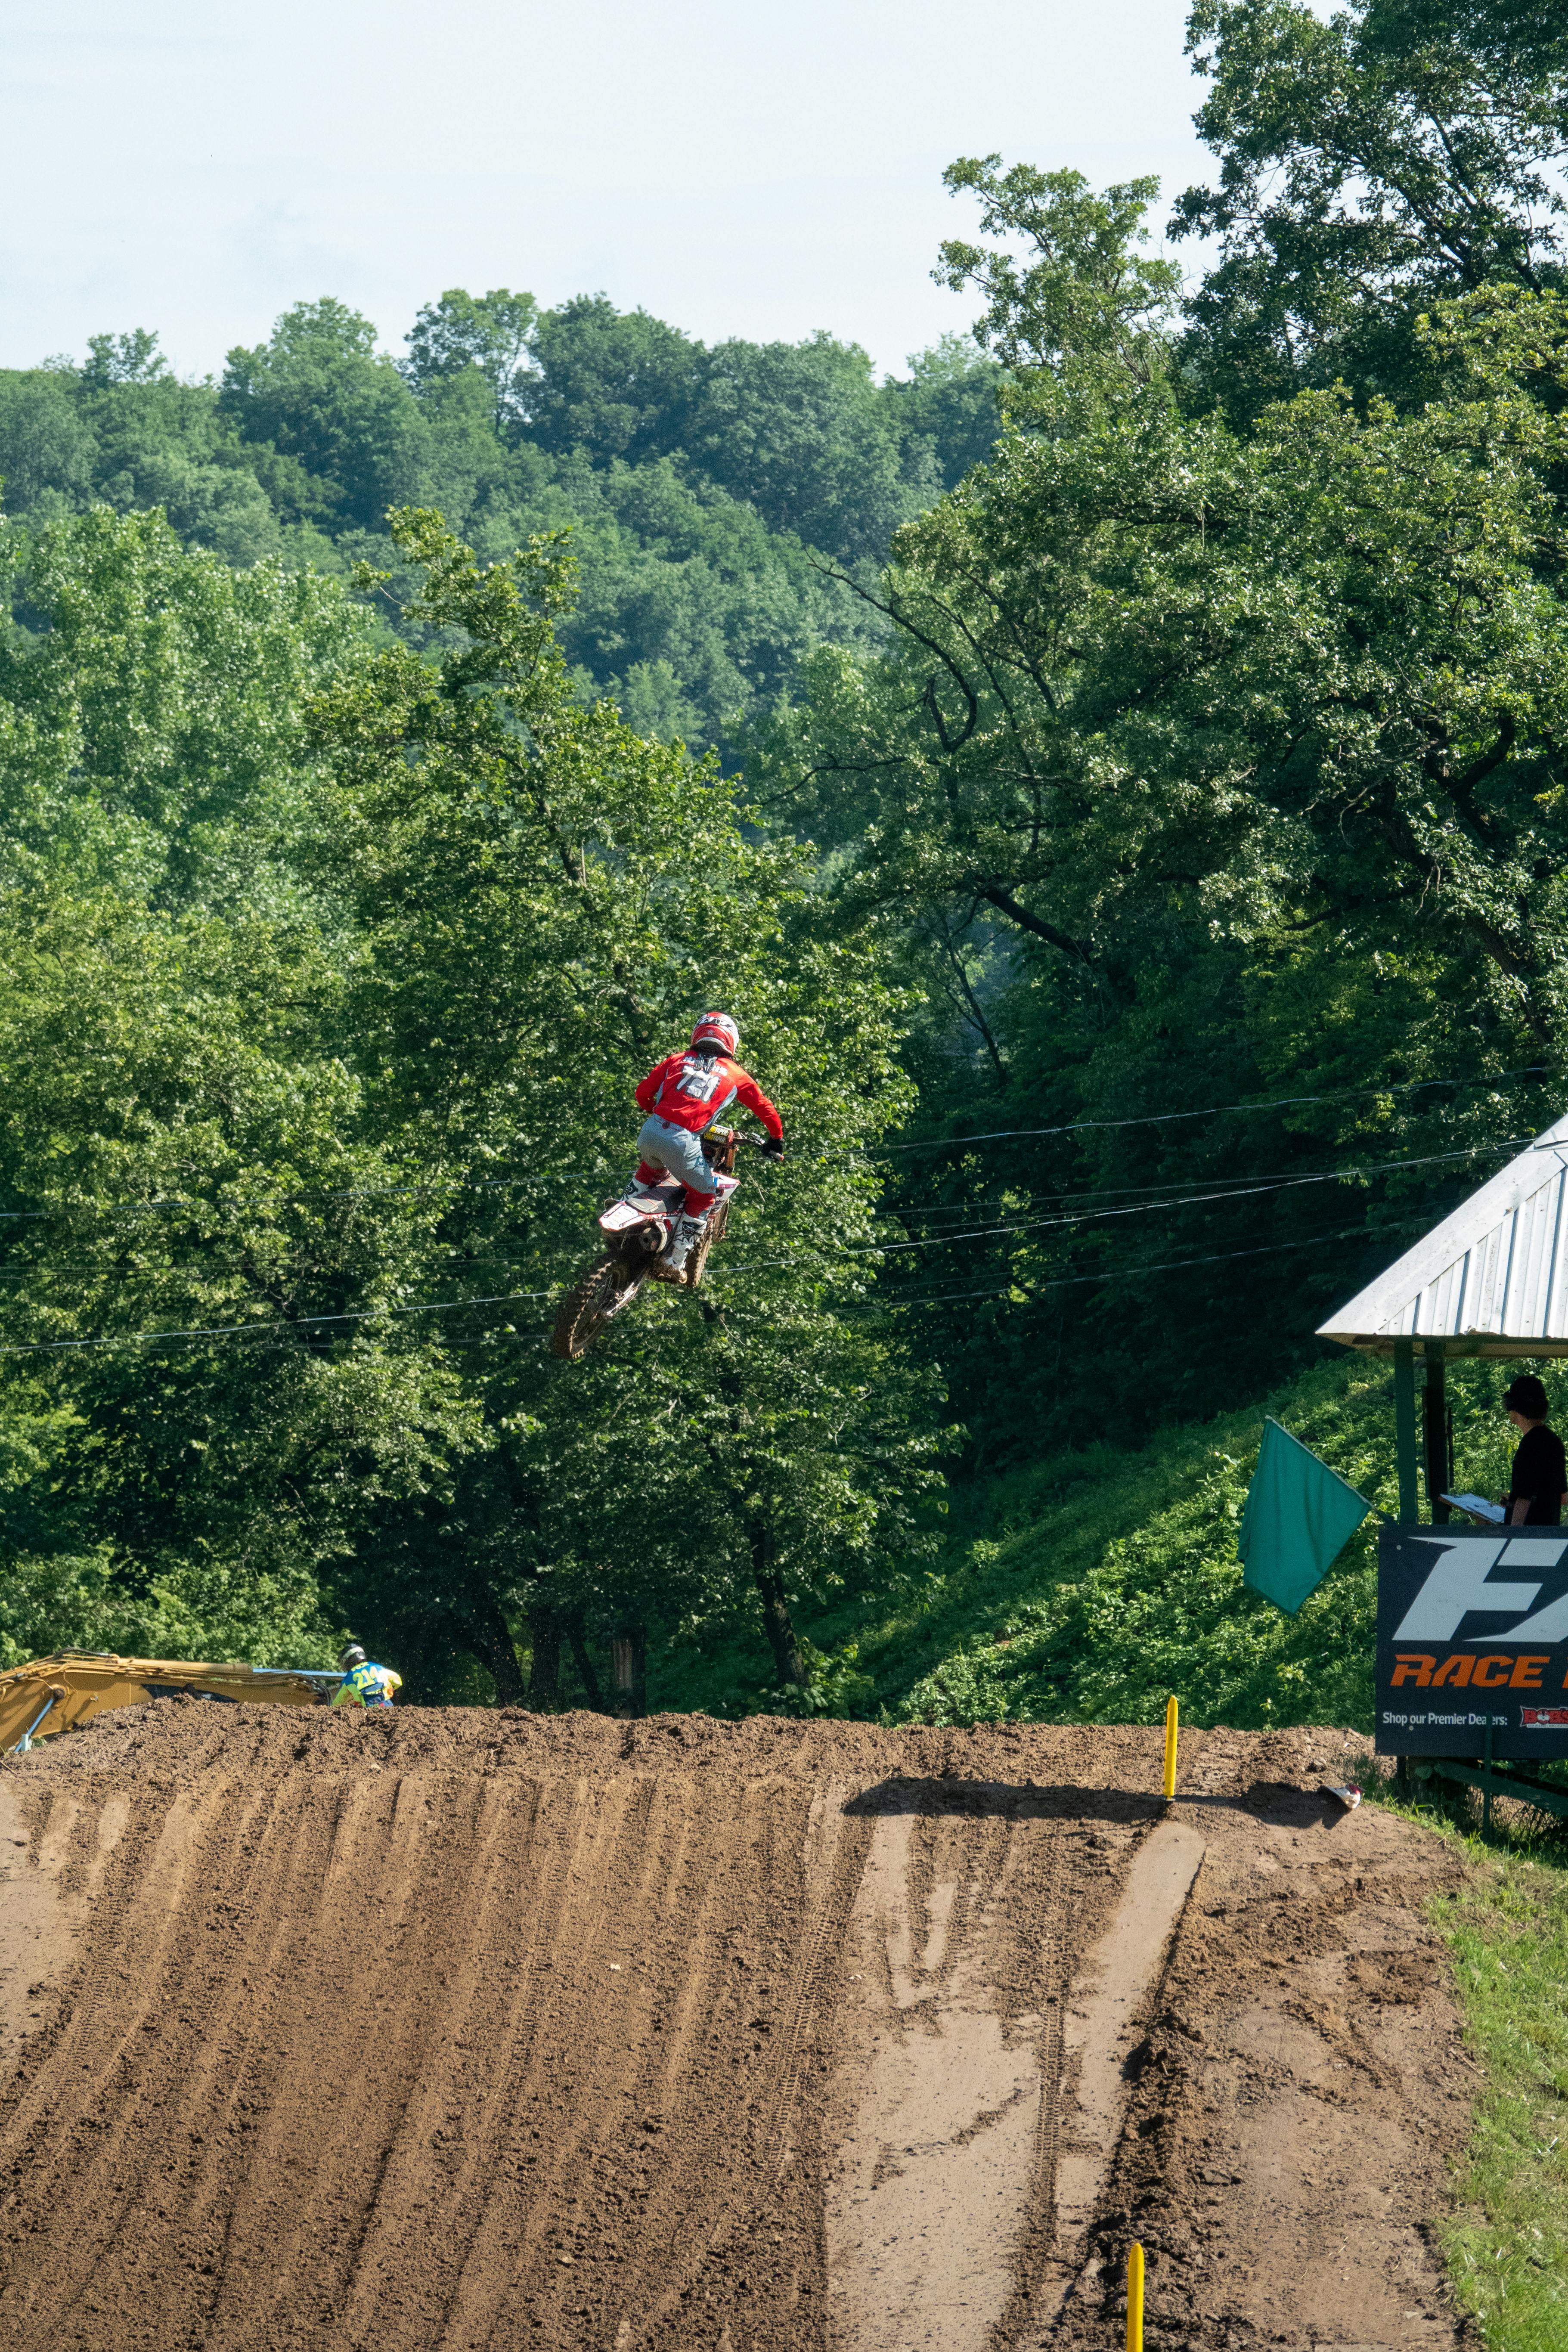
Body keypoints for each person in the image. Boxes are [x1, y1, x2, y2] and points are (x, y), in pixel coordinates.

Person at [625, 1011, 784, 1274]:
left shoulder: (677, 1059)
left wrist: (653, 1111)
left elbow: (643, 1092)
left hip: (650, 1130)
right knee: (705, 1195)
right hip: (684, 1140)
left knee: (650, 1168)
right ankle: (673, 1262)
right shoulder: (736, 1074)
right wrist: (776, 1139)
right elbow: (765, 1107)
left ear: (698, 1033)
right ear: (731, 1041)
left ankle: (625, 1209)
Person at [1498, 1376, 1568, 1526]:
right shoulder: (1553, 1440)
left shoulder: (1530, 1444)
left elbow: (1524, 1498)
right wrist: (1512, 1501)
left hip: (1529, 1537)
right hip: (1548, 1533)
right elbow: (1562, 1496)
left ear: (1514, 1407)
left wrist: (1513, 1535)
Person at [331, 1643, 403, 1708]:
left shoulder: (349, 1678)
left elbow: (337, 1702)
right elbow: (398, 1681)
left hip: (366, 1711)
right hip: (386, 1706)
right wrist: (390, 1688)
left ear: (347, 1661)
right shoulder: (378, 1667)